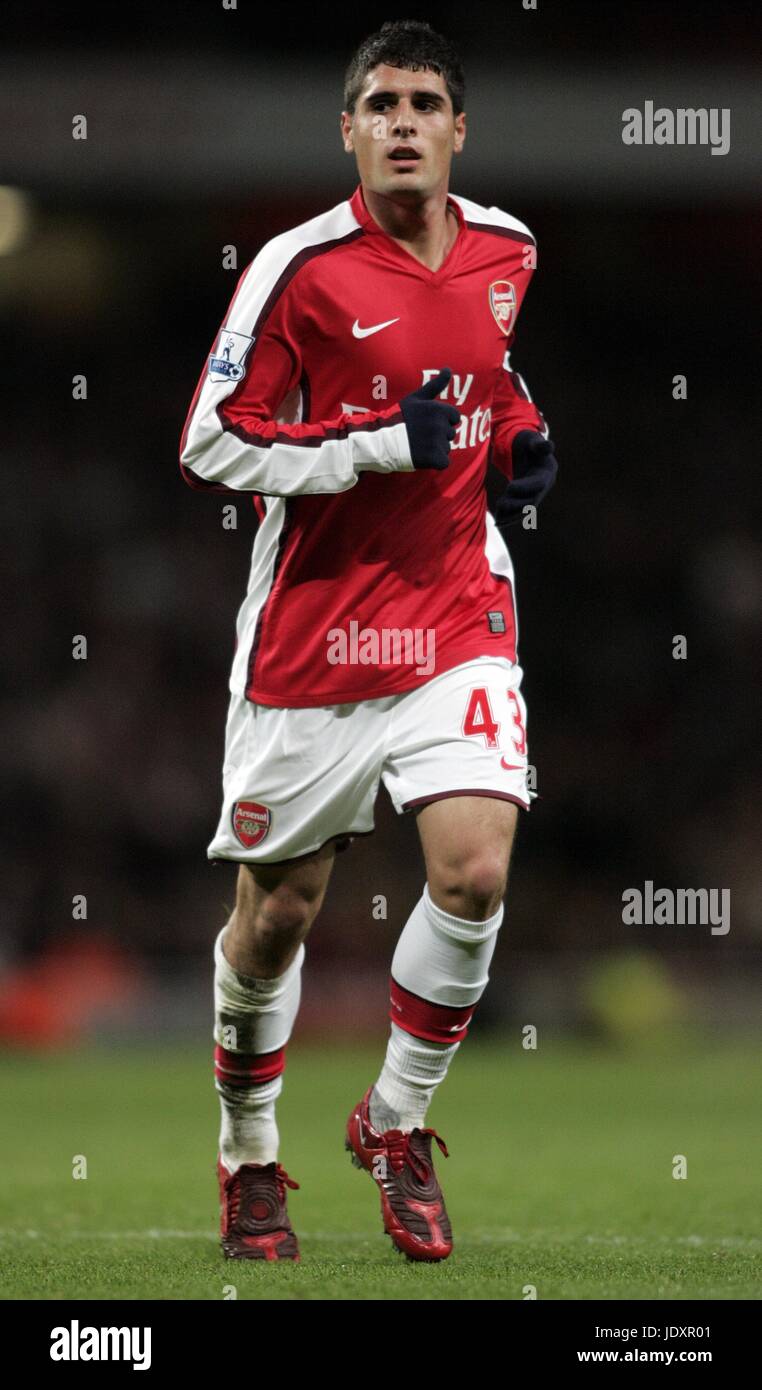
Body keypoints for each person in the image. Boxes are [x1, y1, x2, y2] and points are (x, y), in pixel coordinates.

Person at [179, 18, 557, 1264]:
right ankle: (248, 1154)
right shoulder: (299, 267)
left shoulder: (510, 249)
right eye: (381, 102)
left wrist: (516, 440)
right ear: (348, 129)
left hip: (455, 607)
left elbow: (488, 381)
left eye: (427, 102)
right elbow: (212, 441)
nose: (404, 121)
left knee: (475, 869)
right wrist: (376, 445)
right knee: (277, 914)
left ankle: (394, 1125)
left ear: (460, 128)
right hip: (318, 626)